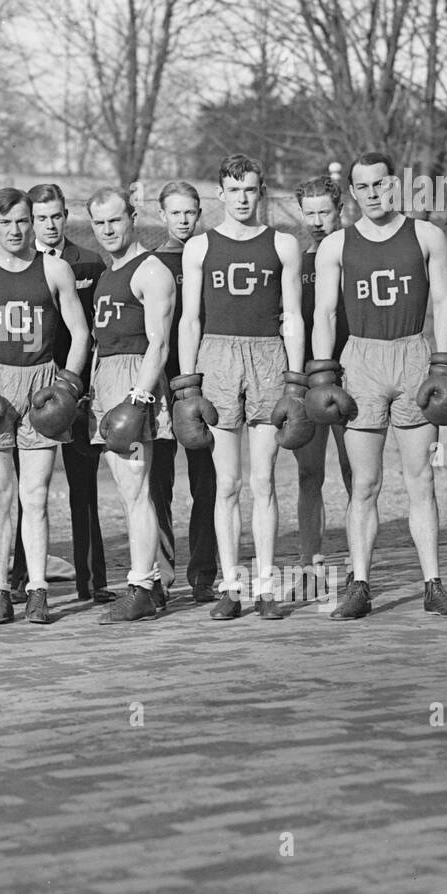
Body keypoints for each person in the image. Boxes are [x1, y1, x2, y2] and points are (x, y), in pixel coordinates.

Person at [309, 151, 447, 620]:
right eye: (363, 187)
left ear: (394, 185)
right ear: (352, 193)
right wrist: (323, 371)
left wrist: (444, 364)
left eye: (380, 184)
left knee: (421, 478)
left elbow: (444, 301)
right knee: (365, 483)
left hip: (413, 354)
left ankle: (433, 584)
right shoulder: (336, 245)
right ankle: (359, 584)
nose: (373, 194)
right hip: (361, 359)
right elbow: (324, 313)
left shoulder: (426, 235)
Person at [0, 186, 90, 626]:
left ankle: (39, 590)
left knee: (36, 495)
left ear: (33, 223)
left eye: (22, 221)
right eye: (5, 222)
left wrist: (67, 385)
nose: (15, 230)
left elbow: (81, 335)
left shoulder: (55, 268)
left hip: (41, 385)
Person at [179, 155, 305, 620]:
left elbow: (292, 316)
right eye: (234, 191)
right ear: (221, 194)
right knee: (226, 482)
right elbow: (190, 320)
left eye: (251, 189)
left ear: (262, 190)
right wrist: (188, 383)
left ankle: (266, 585)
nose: (243, 198)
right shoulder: (200, 248)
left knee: (264, 479)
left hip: (268, 356)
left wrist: (295, 377)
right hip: (217, 359)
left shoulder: (283, 245)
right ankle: (231, 586)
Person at [8, 183, 108, 601]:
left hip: (76, 387)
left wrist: (82, 383)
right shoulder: (17, 264)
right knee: (26, 489)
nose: (49, 225)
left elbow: (97, 331)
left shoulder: (89, 262)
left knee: (84, 486)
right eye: (41, 217)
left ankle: (92, 581)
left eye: (57, 216)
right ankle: (18, 579)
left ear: (67, 216)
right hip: (31, 391)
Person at [84, 188, 177, 623]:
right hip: (108, 382)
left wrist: (139, 399)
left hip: (133, 385)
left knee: (137, 492)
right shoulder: (109, 272)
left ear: (133, 217)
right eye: (99, 223)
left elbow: (159, 342)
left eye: (115, 221)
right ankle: (153, 582)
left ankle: (140, 587)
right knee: (129, 493)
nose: (108, 230)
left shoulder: (151, 270)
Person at [148, 180, 219, 603]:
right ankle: (160, 577)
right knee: (158, 485)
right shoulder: (151, 262)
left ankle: (203, 575)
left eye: (190, 212)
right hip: (162, 383)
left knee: (206, 482)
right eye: (175, 213)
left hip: (203, 382)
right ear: (162, 216)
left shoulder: (213, 255)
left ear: (199, 212)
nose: (184, 220)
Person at [292, 174, 352, 600]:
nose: (316, 221)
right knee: (309, 474)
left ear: (339, 210)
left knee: (357, 474)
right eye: (309, 213)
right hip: (309, 379)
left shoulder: (356, 253)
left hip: (351, 376)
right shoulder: (296, 261)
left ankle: (357, 563)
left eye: (323, 213)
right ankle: (310, 563)